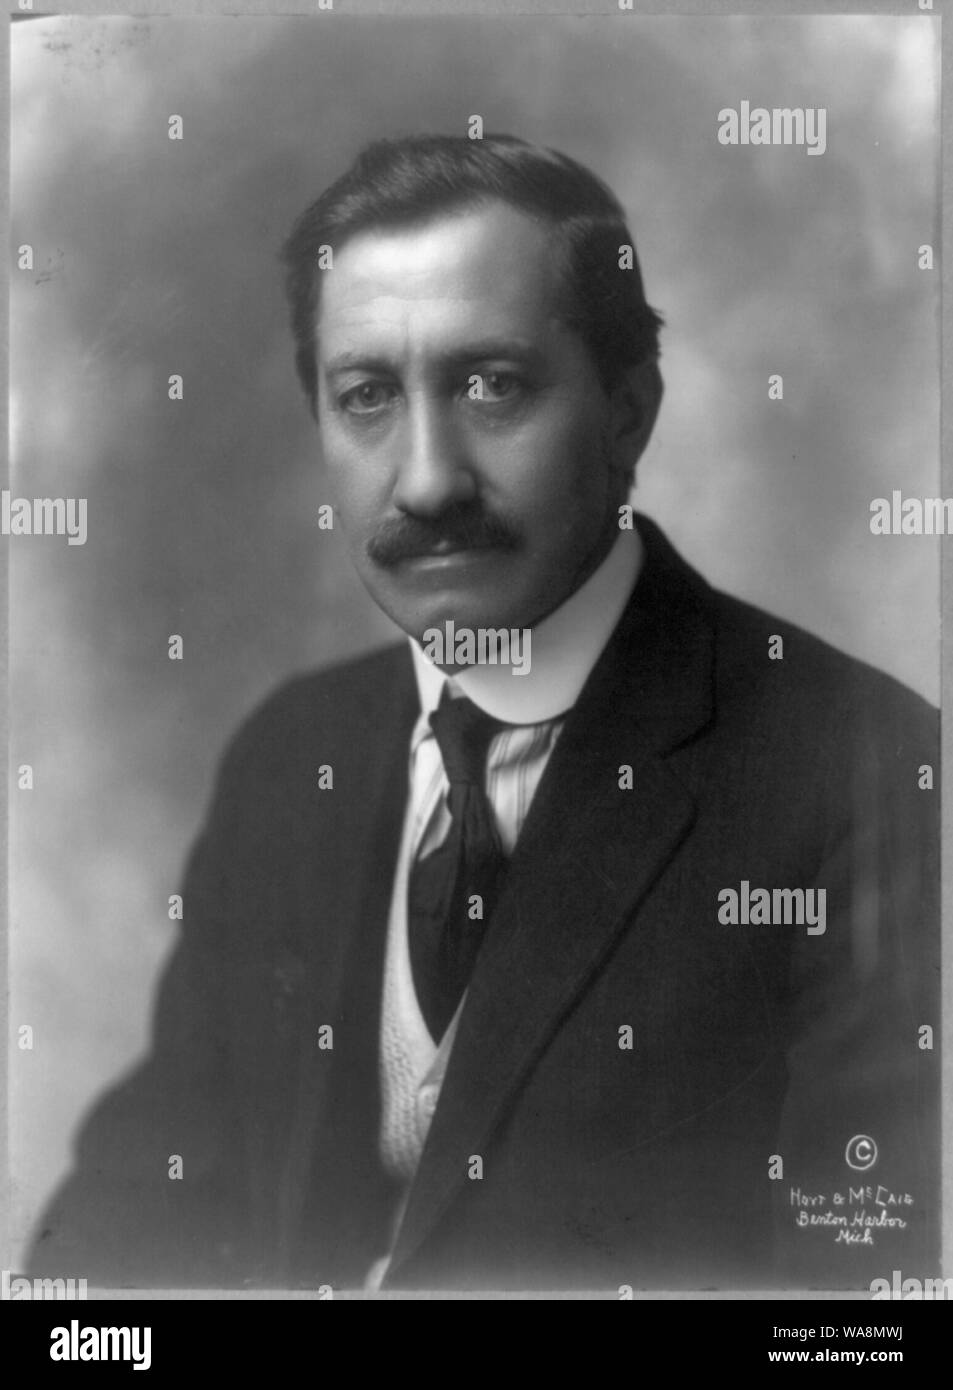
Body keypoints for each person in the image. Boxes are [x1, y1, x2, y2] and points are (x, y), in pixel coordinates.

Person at [27, 135, 939, 1293]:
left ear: (627, 412)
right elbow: (118, 1237)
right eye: (365, 396)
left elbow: (865, 1314)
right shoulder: (289, 756)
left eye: (491, 385)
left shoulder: (867, 776)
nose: (423, 482)